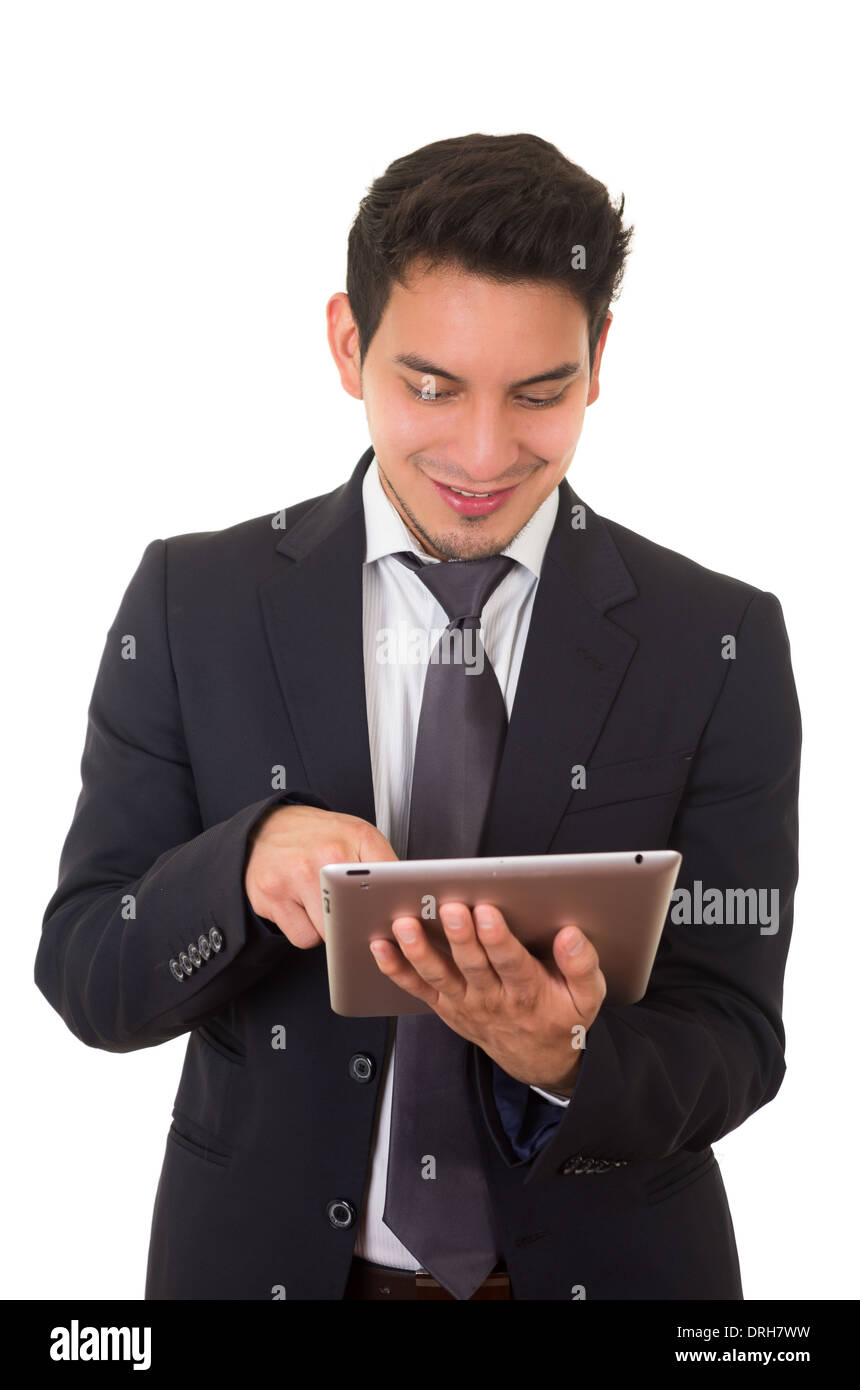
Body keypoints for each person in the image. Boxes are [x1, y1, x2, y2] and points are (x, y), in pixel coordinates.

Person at [35, 132, 801, 1301]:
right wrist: (237, 866)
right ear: (348, 343)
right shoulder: (193, 602)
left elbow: (738, 1033)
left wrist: (569, 1063)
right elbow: (91, 971)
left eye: (538, 393)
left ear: (596, 361)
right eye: (430, 386)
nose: (483, 455)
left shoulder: (718, 639)